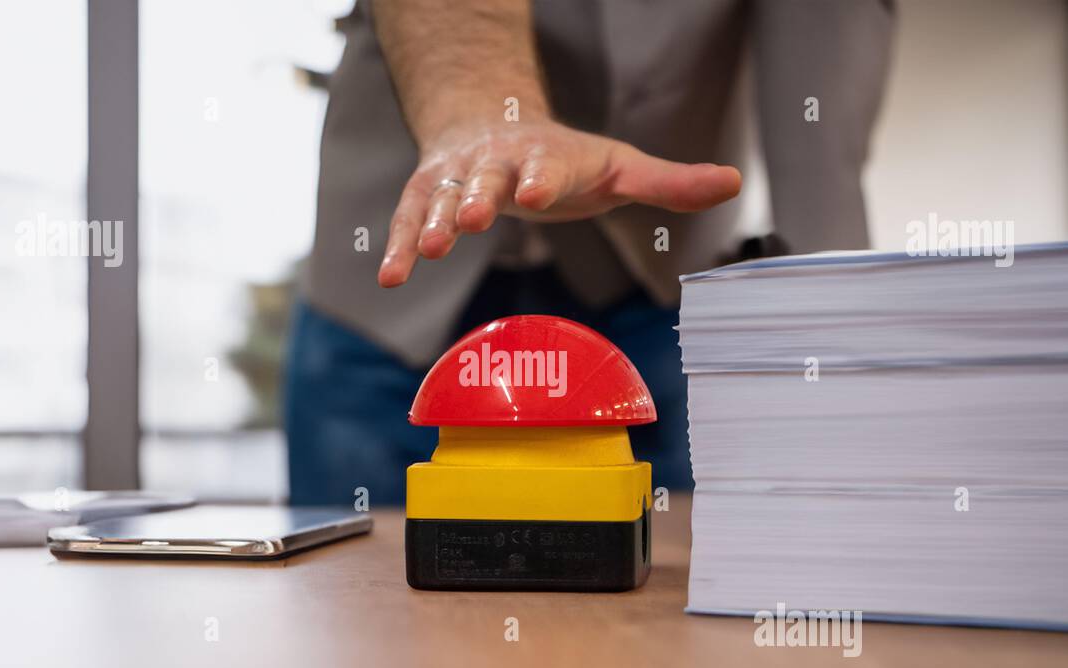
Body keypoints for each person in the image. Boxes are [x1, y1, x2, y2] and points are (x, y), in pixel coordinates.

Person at [285, 0, 894, 505]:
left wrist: (827, 330)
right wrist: (481, 117)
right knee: (368, 609)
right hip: (389, 286)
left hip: (659, 289)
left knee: (661, 622)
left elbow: (826, 27)